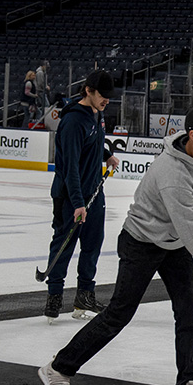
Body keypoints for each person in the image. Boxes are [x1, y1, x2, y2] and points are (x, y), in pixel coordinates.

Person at [37, 105, 193, 385]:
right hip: (141, 242)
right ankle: (58, 369)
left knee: (187, 312)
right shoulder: (172, 174)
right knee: (119, 314)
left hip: (173, 244)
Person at [43, 68, 121, 322]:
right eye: (103, 95)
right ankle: (54, 296)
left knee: (92, 245)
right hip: (70, 196)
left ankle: (84, 297)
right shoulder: (74, 121)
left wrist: (106, 155)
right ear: (88, 90)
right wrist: (78, 203)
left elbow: (95, 143)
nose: (107, 100)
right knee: (64, 245)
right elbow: (70, 167)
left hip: (94, 193)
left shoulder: (96, 115)